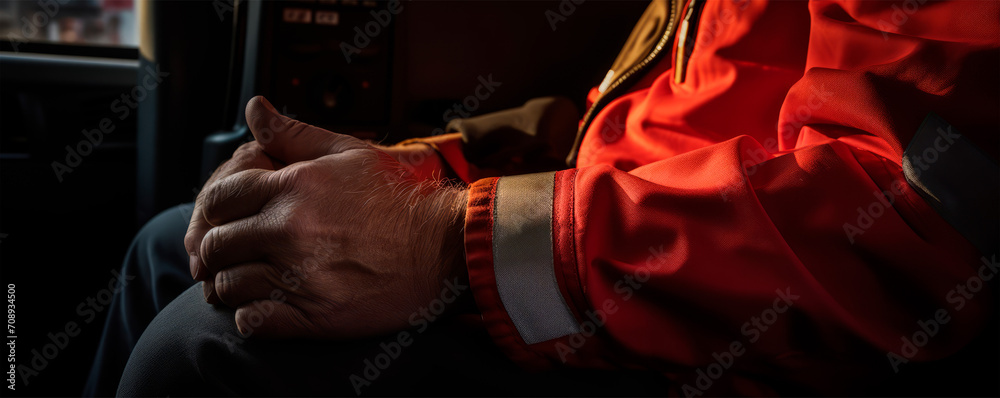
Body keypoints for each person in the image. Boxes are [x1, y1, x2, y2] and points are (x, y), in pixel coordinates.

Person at [86, 0, 999, 396]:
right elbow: (621, 132)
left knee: (203, 354)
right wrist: (406, 174)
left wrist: (447, 240)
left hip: (732, 350)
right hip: (618, 258)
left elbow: (898, 233)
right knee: (182, 244)